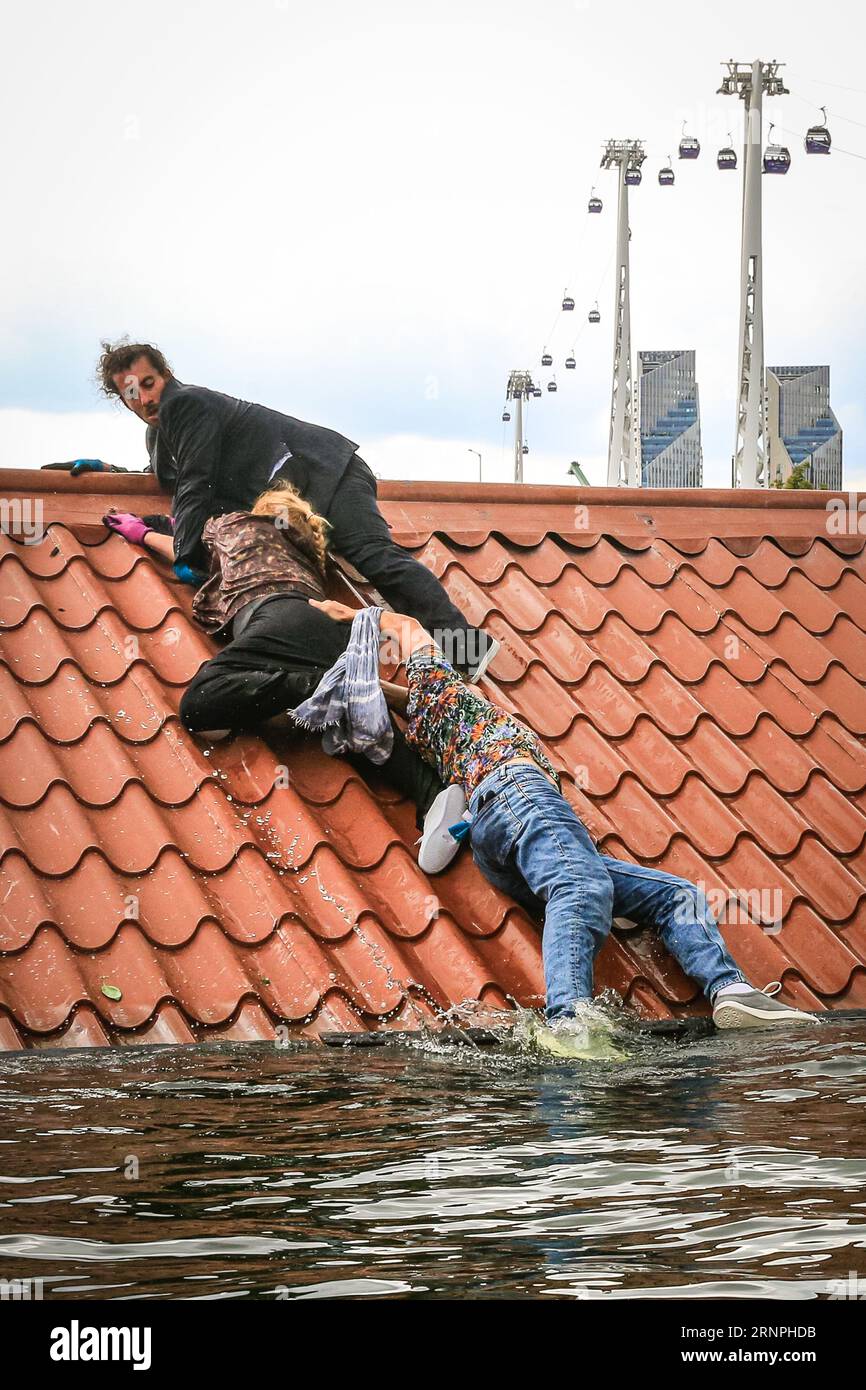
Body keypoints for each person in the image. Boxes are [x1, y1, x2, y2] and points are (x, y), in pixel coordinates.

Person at [310, 597, 821, 1058]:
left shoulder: (428, 721)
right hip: (518, 794)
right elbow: (410, 624)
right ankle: (568, 1019)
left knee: (674, 895)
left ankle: (729, 990)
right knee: (579, 884)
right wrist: (356, 616)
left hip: (496, 838)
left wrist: (354, 684)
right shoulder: (439, 685)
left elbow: (390, 695)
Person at [68, 339, 497, 680]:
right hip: (299, 500)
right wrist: (110, 472)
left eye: (149, 383)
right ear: (121, 401)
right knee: (365, 567)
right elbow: (172, 481)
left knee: (374, 558)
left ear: (166, 377)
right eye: (130, 392)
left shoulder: (187, 404)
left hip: (329, 474)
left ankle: (469, 650)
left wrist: (185, 554)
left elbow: (197, 482)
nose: (144, 398)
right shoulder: (160, 437)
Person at [102, 483, 460, 873]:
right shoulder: (305, 551)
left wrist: (144, 532)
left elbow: (186, 542)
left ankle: (311, 688)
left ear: (259, 510)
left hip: (277, 620)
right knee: (365, 724)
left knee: (197, 703)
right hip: (331, 628)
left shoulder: (233, 524)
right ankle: (433, 796)